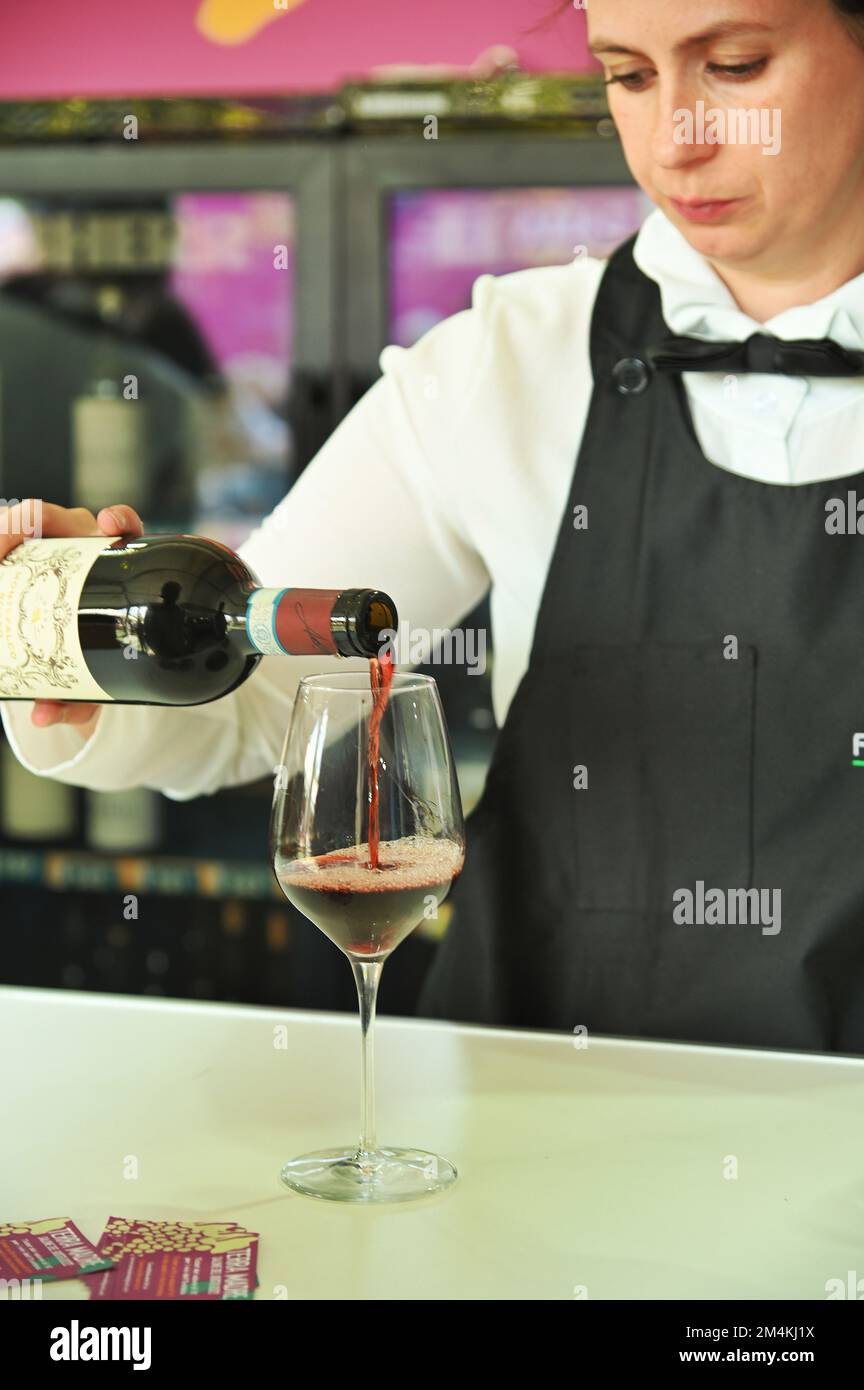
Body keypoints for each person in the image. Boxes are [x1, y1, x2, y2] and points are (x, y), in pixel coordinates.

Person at [3, 0, 864, 1053]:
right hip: (541, 1127)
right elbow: (256, 694)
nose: (677, 135)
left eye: (733, 66)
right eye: (630, 76)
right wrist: (85, 664)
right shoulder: (505, 362)